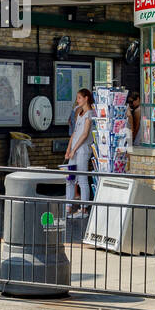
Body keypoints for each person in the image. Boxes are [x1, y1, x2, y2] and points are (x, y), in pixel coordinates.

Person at [63, 87, 94, 216]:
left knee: (82, 179)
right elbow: (75, 133)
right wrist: (68, 149)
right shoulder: (79, 113)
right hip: (74, 151)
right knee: (69, 178)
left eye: (79, 98)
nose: (77, 100)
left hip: (82, 150)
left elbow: (85, 134)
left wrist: (74, 149)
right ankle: (68, 206)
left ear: (86, 98)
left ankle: (84, 208)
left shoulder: (89, 114)